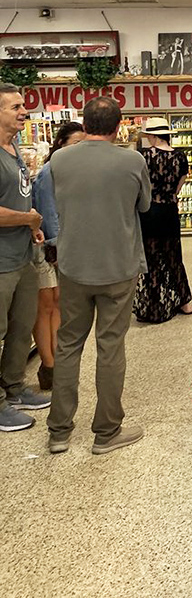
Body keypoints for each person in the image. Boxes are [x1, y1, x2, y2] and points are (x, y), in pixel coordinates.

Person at [47, 96, 151, 455]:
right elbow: (145, 205)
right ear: (119, 126)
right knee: (110, 346)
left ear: (85, 124)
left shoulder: (59, 159)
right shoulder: (132, 160)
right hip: (118, 266)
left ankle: (59, 431)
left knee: (68, 343)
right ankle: (106, 432)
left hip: (73, 265)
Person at [0, 83, 50, 433]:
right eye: (15, 107)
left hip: (23, 253)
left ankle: (15, 387)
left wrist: (31, 225)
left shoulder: (14, 148)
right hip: (1, 260)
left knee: (21, 327)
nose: (23, 112)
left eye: (23, 107)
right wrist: (27, 219)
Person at [32, 121, 85, 390]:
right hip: (46, 247)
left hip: (64, 245)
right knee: (47, 303)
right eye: (75, 144)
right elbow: (47, 210)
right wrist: (55, 246)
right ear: (61, 143)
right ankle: (48, 364)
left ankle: (57, 360)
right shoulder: (50, 171)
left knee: (60, 302)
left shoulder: (72, 171)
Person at [133, 117, 192, 323]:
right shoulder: (180, 157)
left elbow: (138, 186)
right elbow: (178, 188)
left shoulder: (142, 156)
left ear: (152, 135)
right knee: (173, 254)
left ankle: (155, 304)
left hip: (148, 211)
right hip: (169, 211)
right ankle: (184, 301)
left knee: (151, 255)